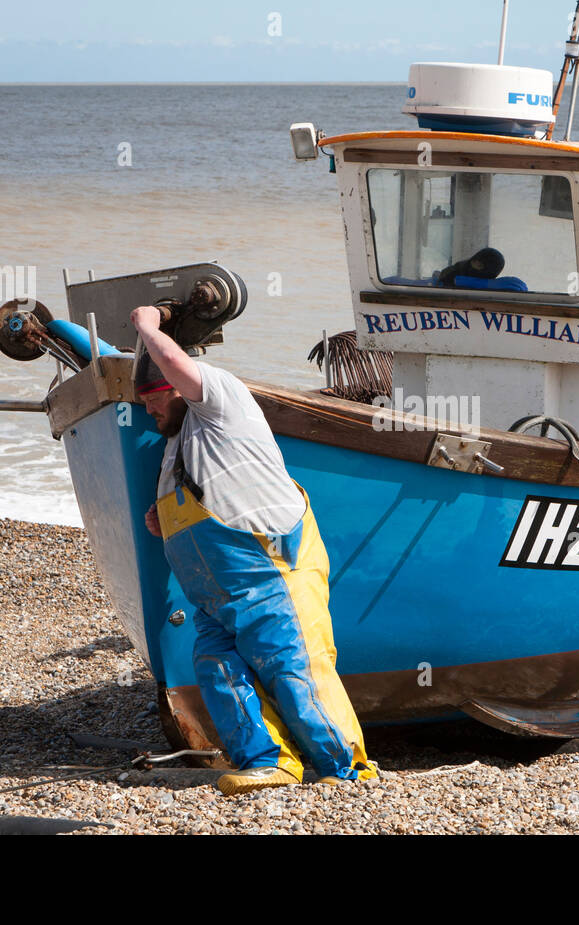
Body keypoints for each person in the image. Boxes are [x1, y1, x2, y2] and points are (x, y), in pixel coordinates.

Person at [129, 304, 376, 796]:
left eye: (155, 398)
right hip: (218, 594)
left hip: (274, 572)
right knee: (218, 670)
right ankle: (270, 762)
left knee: (294, 666)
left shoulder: (224, 400)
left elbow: (178, 365)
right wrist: (163, 520)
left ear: (182, 385)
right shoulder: (178, 444)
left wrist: (146, 327)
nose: (149, 409)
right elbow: (205, 502)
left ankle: (347, 770)